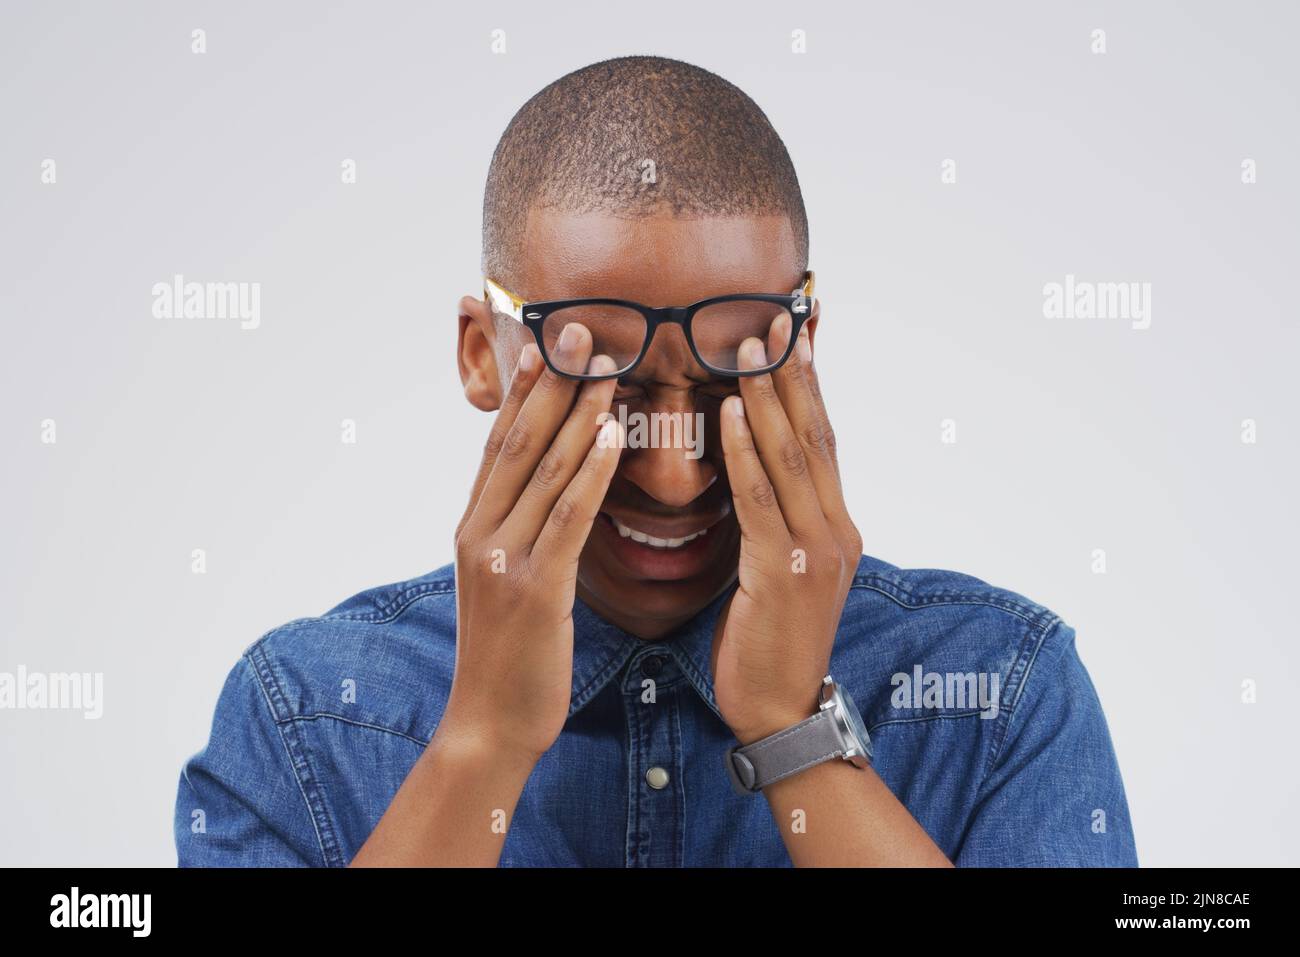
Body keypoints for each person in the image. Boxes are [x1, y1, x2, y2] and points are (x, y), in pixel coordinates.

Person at [175, 54, 1137, 867]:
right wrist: (483, 741)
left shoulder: (1002, 690)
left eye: (732, 377)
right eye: (600, 383)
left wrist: (792, 725)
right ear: (482, 353)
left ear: (803, 353)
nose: (674, 477)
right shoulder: (301, 716)